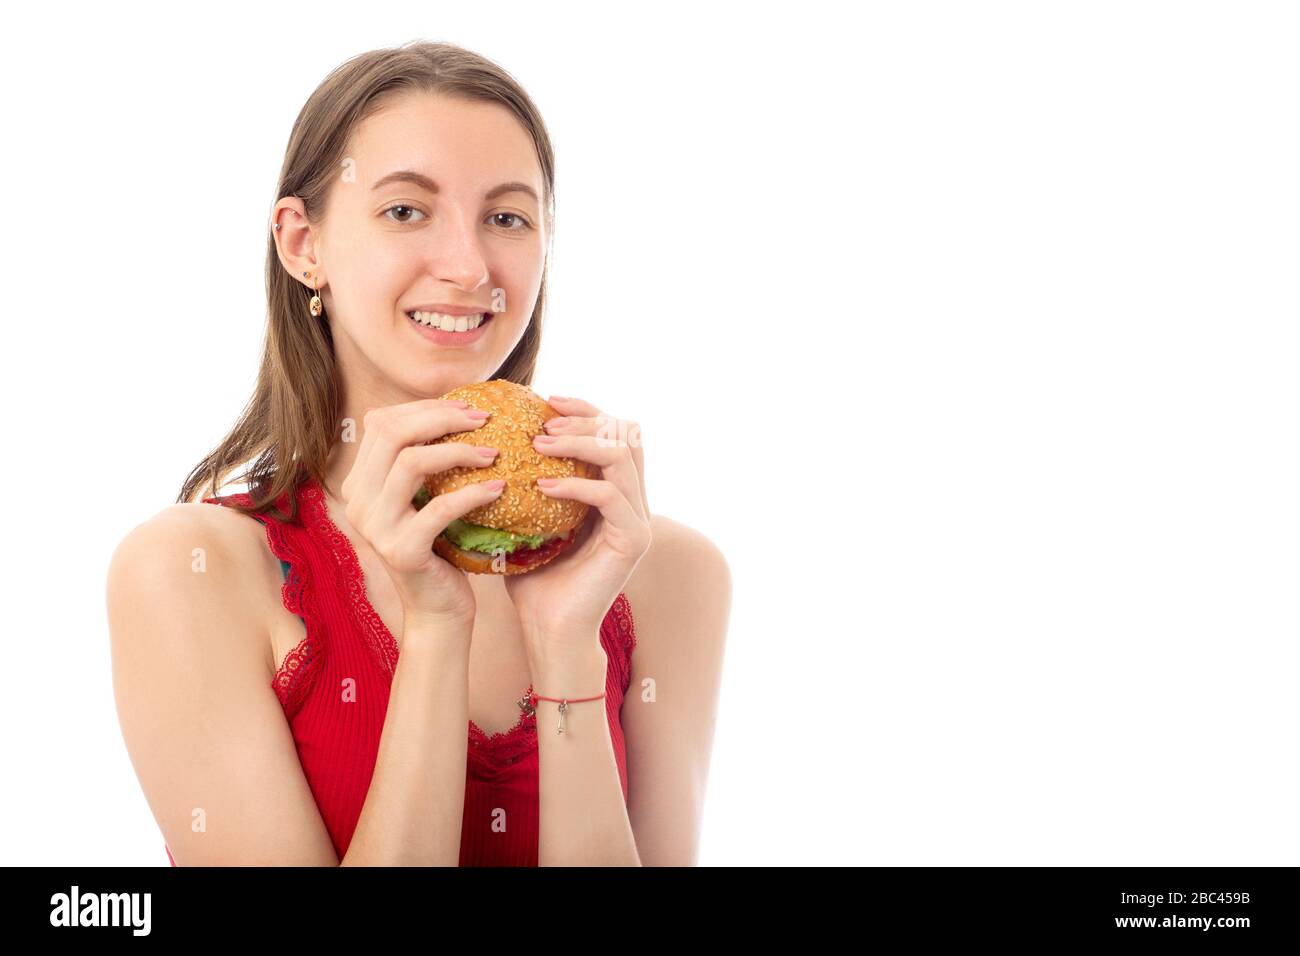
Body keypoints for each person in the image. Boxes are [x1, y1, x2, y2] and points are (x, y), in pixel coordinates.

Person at [106, 41, 730, 866]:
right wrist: (437, 632)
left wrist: (568, 651)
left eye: (506, 217)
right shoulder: (190, 569)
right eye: (406, 210)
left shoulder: (661, 572)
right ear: (303, 245)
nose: (470, 267)